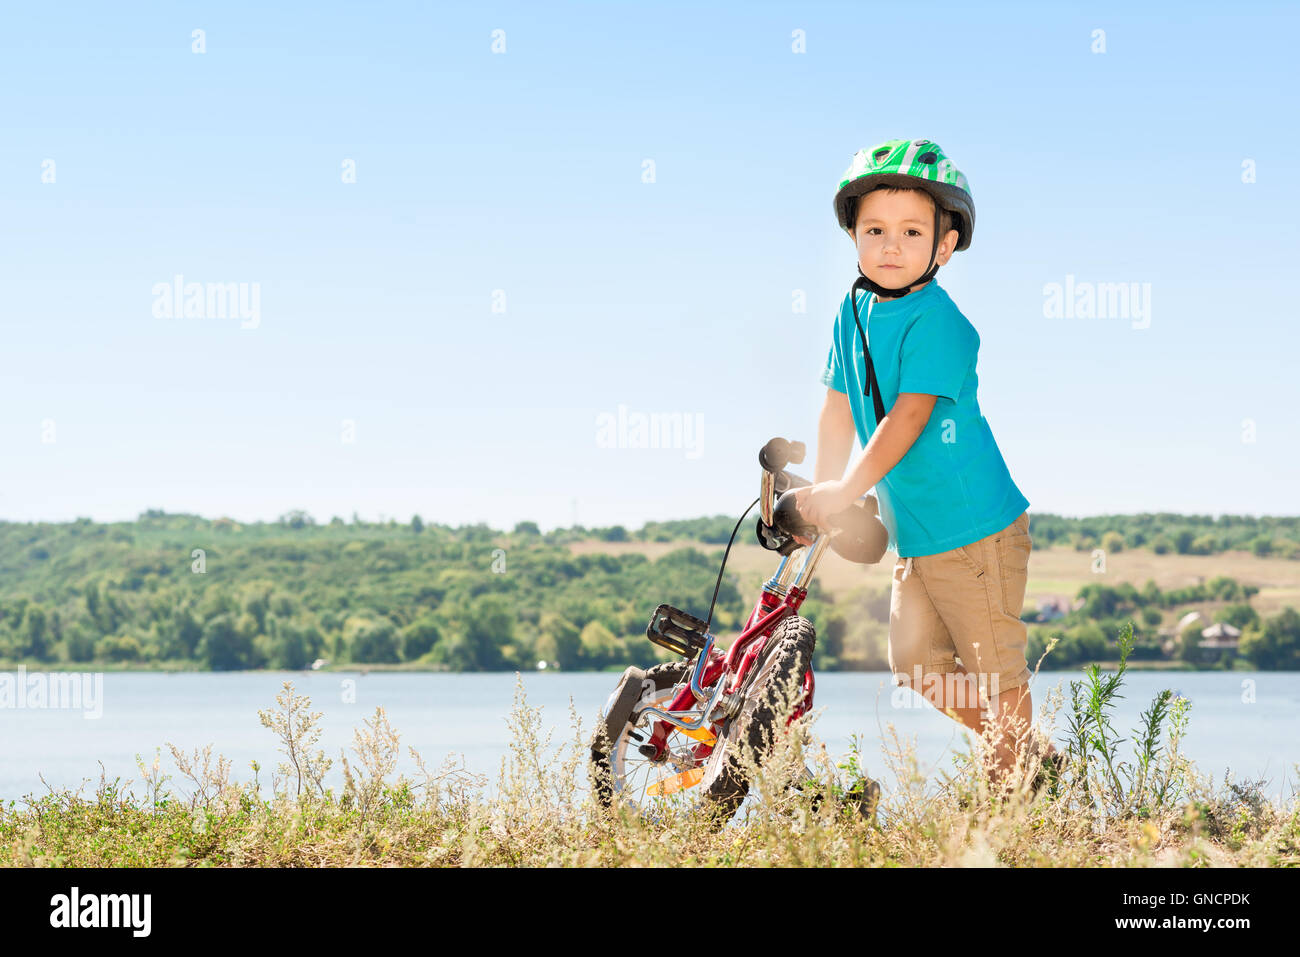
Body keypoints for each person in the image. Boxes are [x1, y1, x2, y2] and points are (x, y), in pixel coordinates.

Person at [793, 138, 1059, 794]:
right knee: (915, 664)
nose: (890, 245)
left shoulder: (941, 323)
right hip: (918, 535)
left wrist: (848, 487)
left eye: (911, 231)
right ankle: (1033, 754)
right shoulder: (851, 314)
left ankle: (1014, 807)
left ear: (943, 246)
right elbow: (835, 415)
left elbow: (906, 422)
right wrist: (822, 495)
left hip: (976, 531)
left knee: (996, 673)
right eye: (874, 229)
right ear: (852, 235)